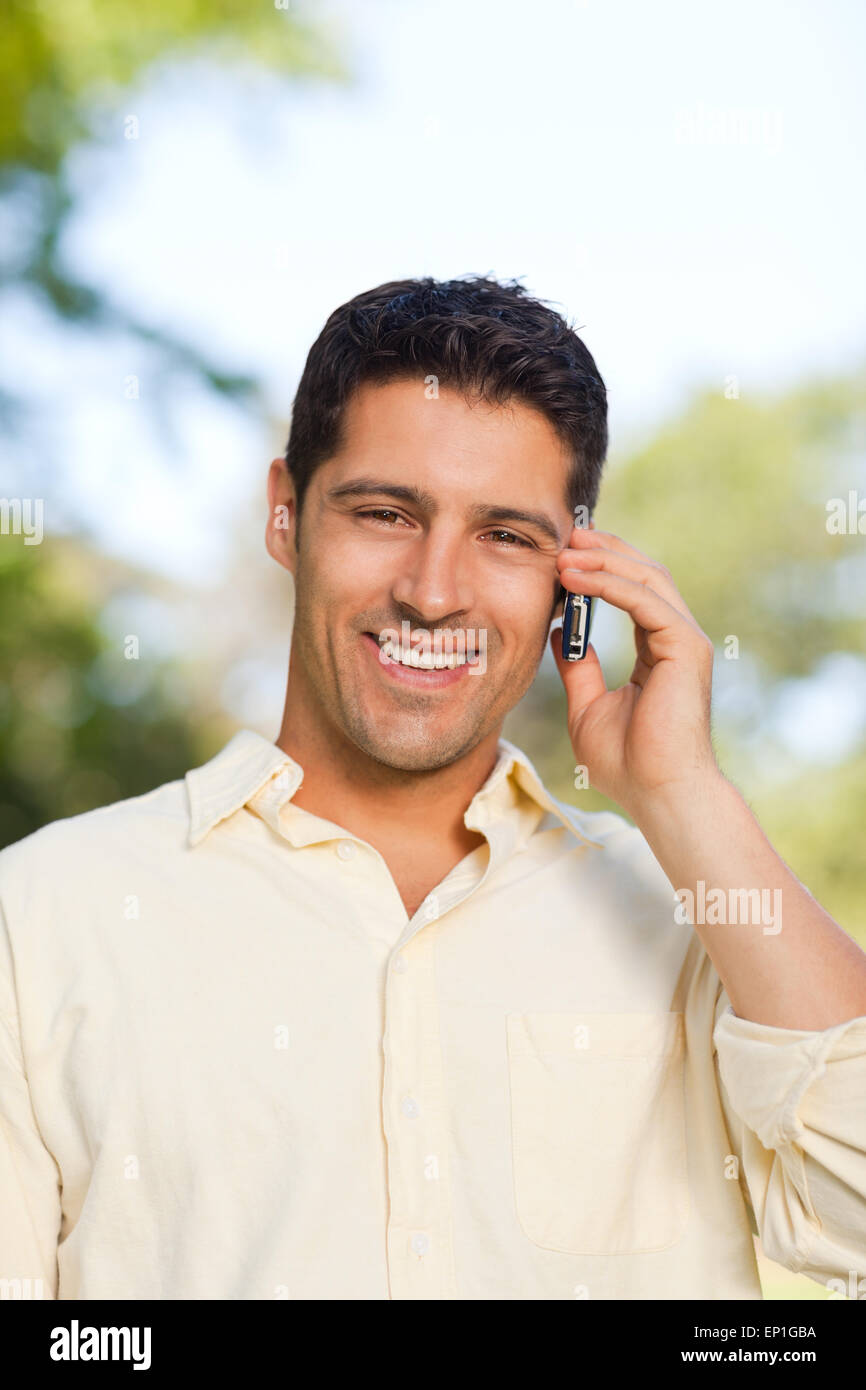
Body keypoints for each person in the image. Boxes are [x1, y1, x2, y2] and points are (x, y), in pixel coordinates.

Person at [1, 275, 865, 1302]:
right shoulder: (45, 914)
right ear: (285, 516)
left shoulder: (694, 915)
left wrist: (682, 793)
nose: (432, 589)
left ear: (573, 579)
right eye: (383, 512)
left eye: (504, 535)